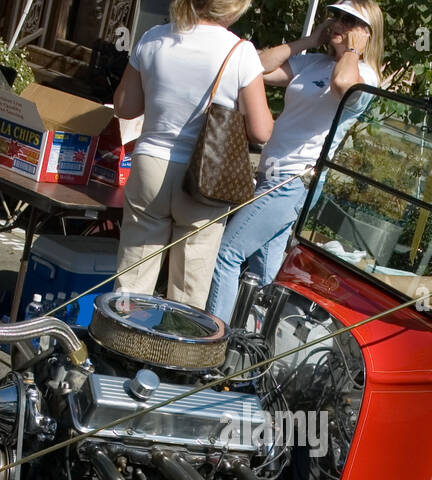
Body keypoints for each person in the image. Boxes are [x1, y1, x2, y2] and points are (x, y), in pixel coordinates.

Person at [205, 1, 385, 324]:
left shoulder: (364, 75)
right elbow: (255, 67)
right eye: (336, 15)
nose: (338, 23)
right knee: (264, 274)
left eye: (349, 20)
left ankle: (212, 343)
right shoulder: (313, 62)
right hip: (271, 175)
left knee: (226, 255)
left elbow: (342, 84)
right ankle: (255, 354)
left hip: (294, 181)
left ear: (367, 31)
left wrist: (354, 51)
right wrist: (307, 42)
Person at [112, 1, 273, 308]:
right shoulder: (240, 52)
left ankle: (121, 347)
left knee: (132, 277)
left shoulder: (153, 37)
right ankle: (171, 351)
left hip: (151, 164)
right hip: (205, 175)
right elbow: (260, 131)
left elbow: (125, 107)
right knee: (188, 287)